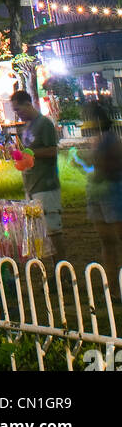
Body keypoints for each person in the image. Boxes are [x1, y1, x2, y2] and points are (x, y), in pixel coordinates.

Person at [9, 88, 65, 263]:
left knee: (53, 230)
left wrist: (28, 153)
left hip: (46, 185)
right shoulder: (27, 127)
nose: (17, 114)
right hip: (32, 185)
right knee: (40, 231)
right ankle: (54, 270)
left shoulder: (44, 124)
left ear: (28, 104)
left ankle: (62, 270)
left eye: (18, 110)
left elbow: (52, 150)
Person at [83, 105, 122, 293]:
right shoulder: (100, 140)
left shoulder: (111, 140)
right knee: (106, 240)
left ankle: (115, 282)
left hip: (112, 192)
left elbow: (114, 163)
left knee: (113, 239)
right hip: (99, 193)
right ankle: (113, 283)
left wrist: (99, 165)